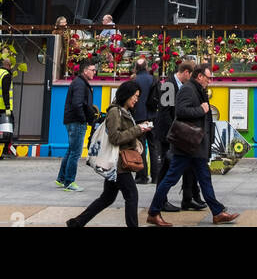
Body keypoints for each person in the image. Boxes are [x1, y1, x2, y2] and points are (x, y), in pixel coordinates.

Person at [147, 64, 239, 227]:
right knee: (170, 179)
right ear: (199, 76)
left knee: (205, 179)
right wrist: (201, 110)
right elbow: (180, 111)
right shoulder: (188, 89)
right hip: (187, 146)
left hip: (196, 145)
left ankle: (217, 213)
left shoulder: (197, 89)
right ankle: (153, 212)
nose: (210, 81)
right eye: (208, 77)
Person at [66, 79, 153, 229]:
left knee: (107, 198)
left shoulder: (125, 112)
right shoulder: (115, 112)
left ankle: (77, 222)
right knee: (132, 195)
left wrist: (138, 136)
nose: (137, 99)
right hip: (117, 163)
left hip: (119, 162)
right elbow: (115, 138)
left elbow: (126, 135)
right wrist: (138, 129)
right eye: (135, 96)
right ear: (127, 94)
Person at [153, 58, 205, 212]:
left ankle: (188, 199)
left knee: (189, 166)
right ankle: (161, 201)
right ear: (186, 73)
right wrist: (175, 132)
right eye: (192, 75)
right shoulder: (169, 85)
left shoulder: (185, 86)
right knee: (166, 168)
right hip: (168, 135)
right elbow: (165, 113)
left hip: (180, 134)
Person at [57, 60, 98, 191]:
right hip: (76, 122)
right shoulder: (80, 84)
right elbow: (77, 104)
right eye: (93, 70)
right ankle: (69, 182)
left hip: (71, 120)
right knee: (75, 152)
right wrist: (83, 119)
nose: (94, 72)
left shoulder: (79, 82)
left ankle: (61, 178)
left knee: (70, 150)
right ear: (85, 70)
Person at [131, 56, 158, 184]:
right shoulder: (153, 79)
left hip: (139, 117)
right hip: (152, 116)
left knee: (140, 146)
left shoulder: (134, 80)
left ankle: (142, 176)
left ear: (136, 67)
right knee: (153, 146)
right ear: (147, 67)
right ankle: (156, 176)